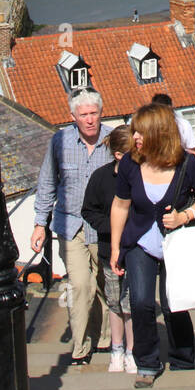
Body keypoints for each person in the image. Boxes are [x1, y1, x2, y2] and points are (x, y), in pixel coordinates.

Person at [110, 103, 195, 387]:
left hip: (176, 244)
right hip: (140, 243)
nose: (135, 139)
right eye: (135, 133)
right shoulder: (131, 164)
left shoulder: (187, 164)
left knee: (174, 305)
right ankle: (147, 363)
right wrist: (116, 248)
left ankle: (182, 358)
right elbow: (120, 205)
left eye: (141, 133)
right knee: (141, 301)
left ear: (158, 133)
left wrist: (184, 216)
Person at [31, 89, 112, 365]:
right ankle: (80, 348)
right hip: (70, 226)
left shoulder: (114, 140)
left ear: (101, 113)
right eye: (84, 115)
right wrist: (40, 224)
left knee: (103, 284)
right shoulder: (60, 141)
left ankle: (104, 339)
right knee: (79, 284)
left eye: (94, 114)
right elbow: (47, 183)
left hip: (103, 227)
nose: (89, 120)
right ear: (73, 117)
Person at [82, 124, 136, 373]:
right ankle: (117, 349)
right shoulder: (101, 178)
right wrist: (111, 227)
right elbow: (89, 210)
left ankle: (132, 351)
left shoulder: (142, 175)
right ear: (118, 155)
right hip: (109, 249)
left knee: (133, 303)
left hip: (137, 250)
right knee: (115, 302)